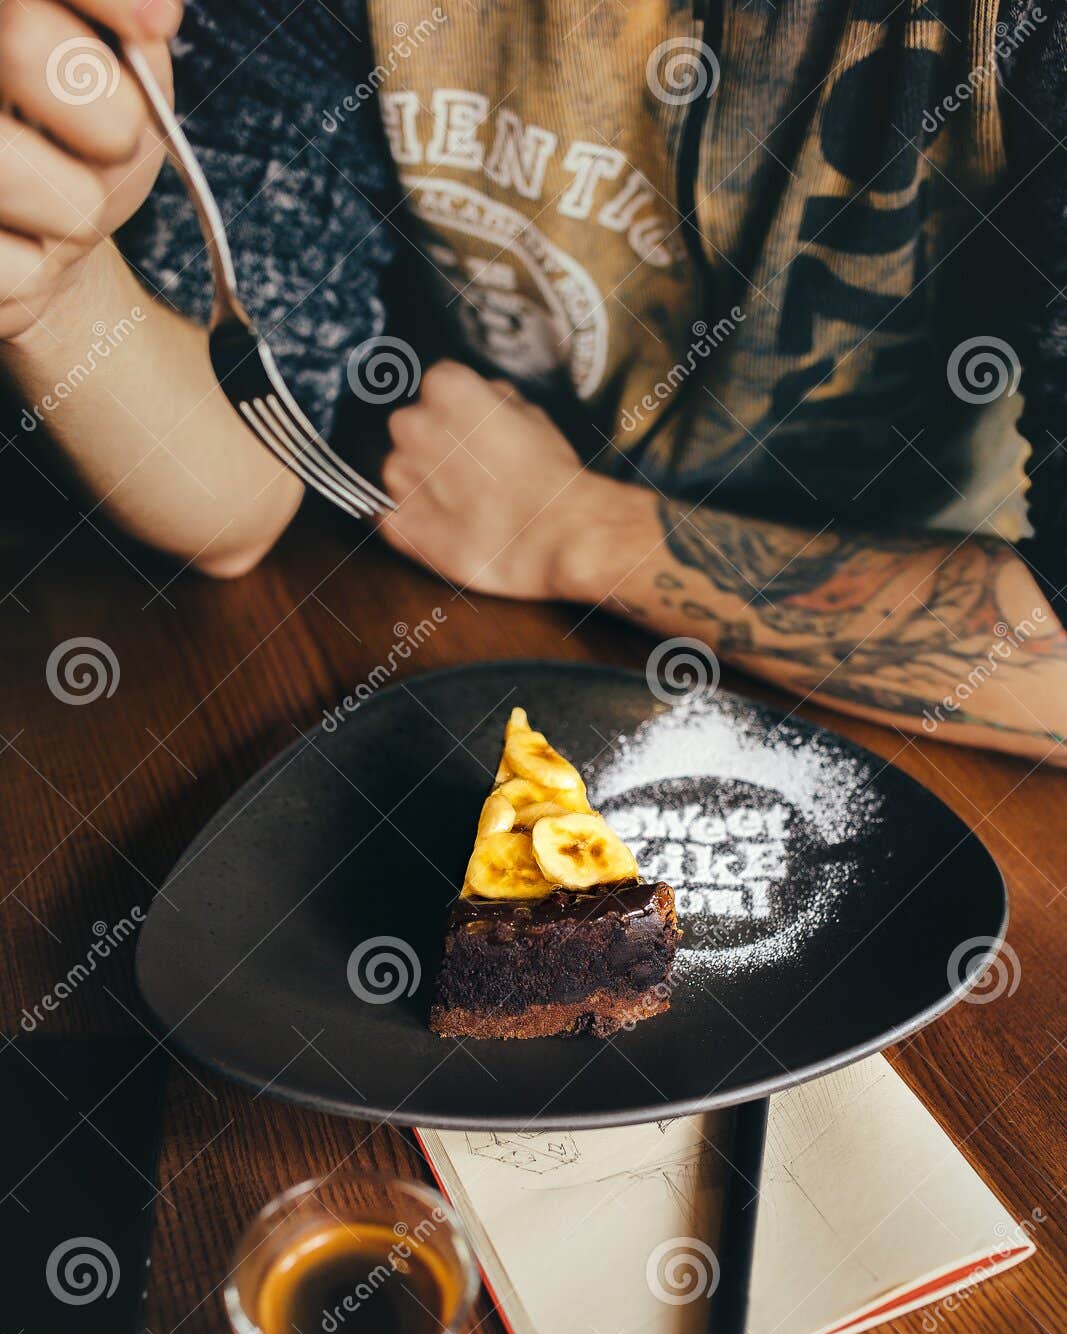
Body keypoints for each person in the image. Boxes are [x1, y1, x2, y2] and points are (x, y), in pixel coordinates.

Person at [1, 0, 1064, 764]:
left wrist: (568, 530)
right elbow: (234, 495)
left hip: (927, 729)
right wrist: (54, 288)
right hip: (452, 638)